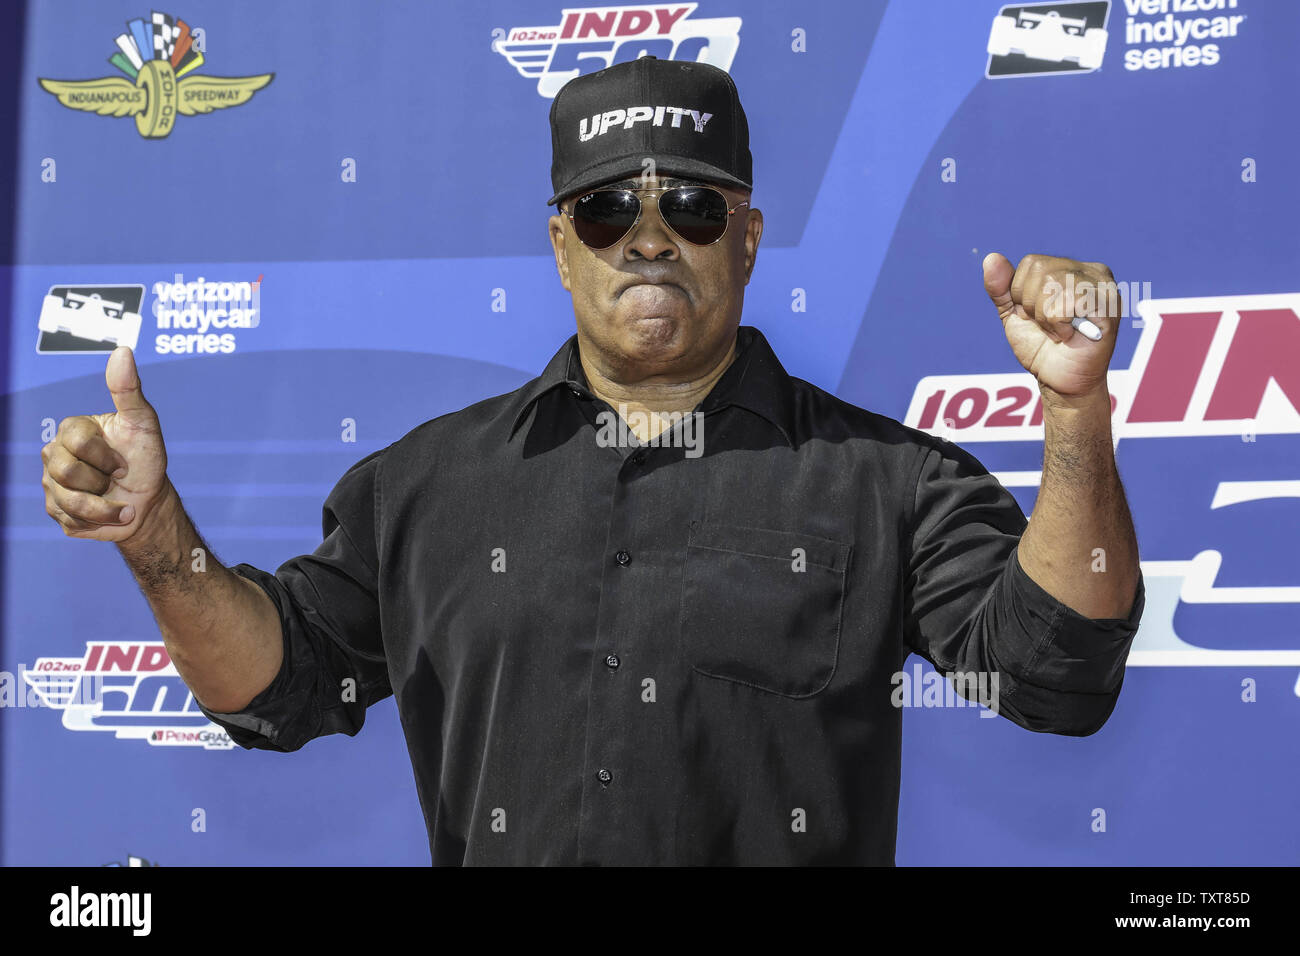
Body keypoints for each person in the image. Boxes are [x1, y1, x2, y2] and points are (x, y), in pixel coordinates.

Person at [39, 56, 1143, 865]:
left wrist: (1074, 409)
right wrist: (158, 540)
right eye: (610, 207)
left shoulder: (887, 478)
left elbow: (1056, 674)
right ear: (563, 243)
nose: (649, 237)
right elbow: (269, 689)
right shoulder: (423, 484)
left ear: (748, 238)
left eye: (693, 206)